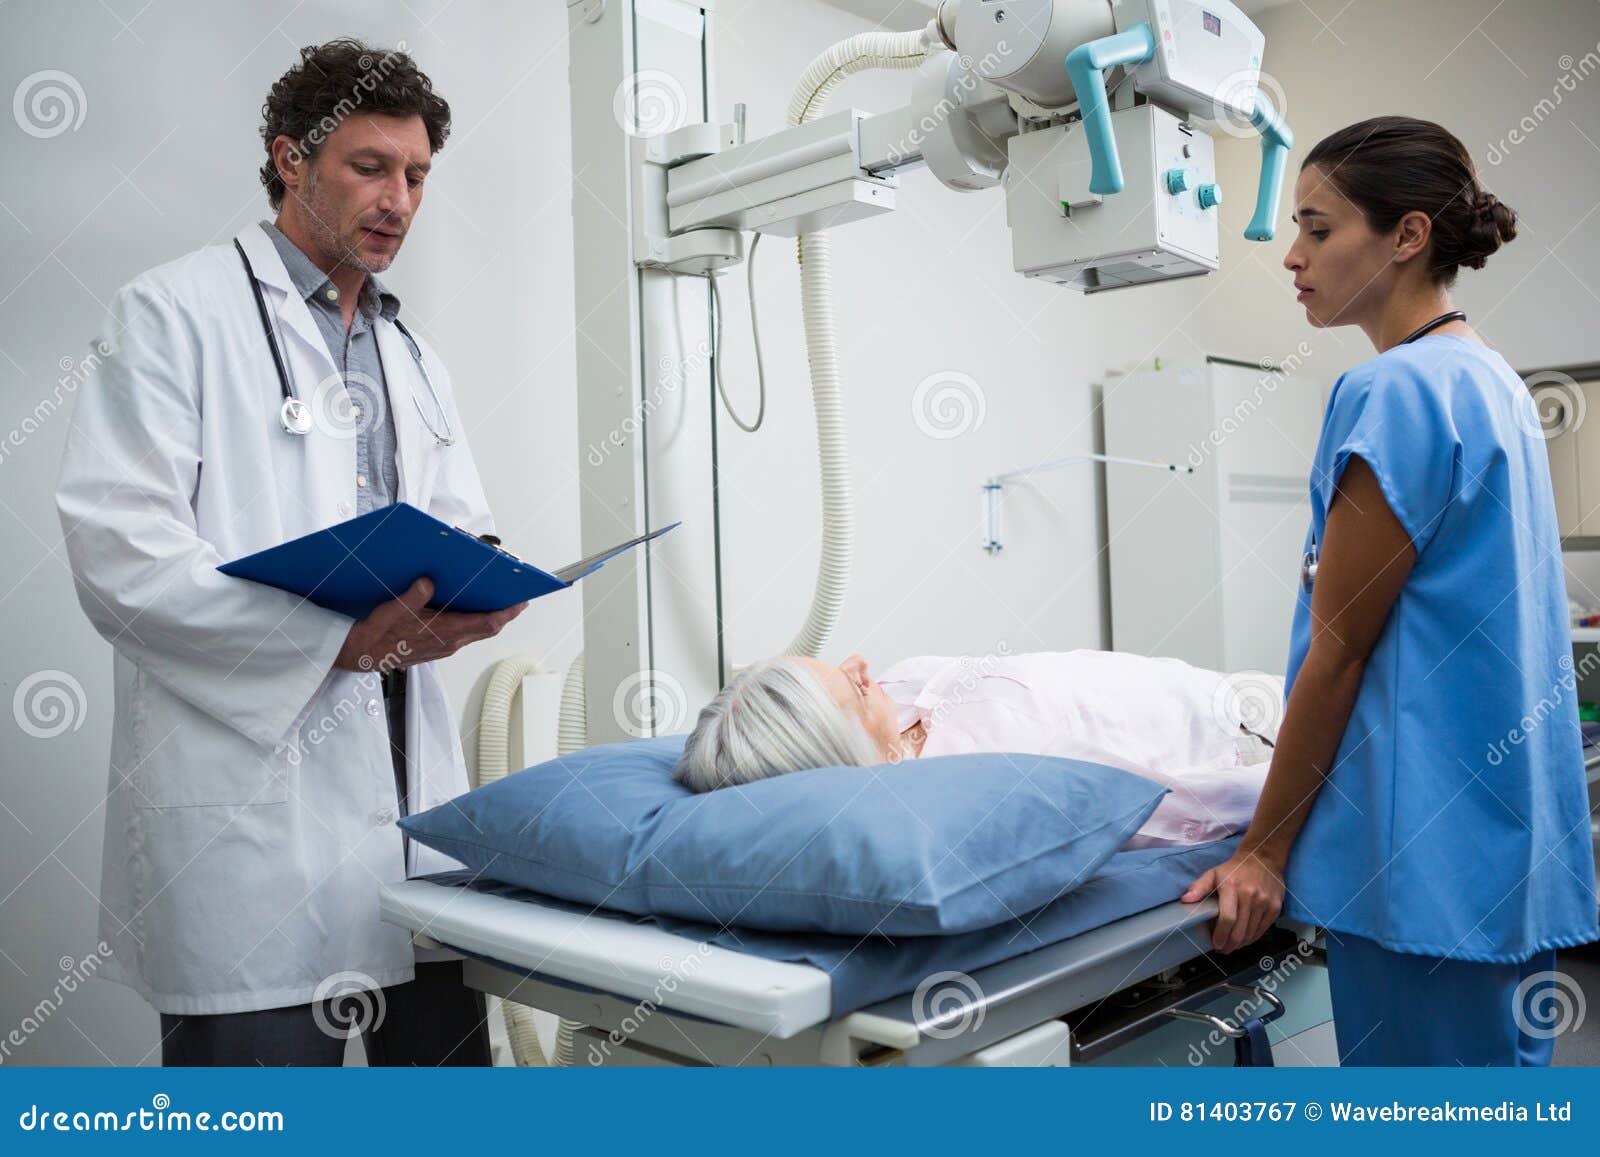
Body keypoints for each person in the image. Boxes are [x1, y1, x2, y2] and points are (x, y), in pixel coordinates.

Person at [55, 40, 523, 1065]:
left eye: (416, 175)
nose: (398, 199)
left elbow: (457, 519)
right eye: (370, 167)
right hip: (252, 834)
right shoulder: (172, 313)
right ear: (290, 159)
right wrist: (339, 641)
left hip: (415, 823)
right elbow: (119, 553)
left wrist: (483, 584)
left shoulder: (411, 352)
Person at [1177, 116, 1598, 1066]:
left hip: (1421, 868)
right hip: (1496, 850)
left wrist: (1262, 850)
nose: (1293, 256)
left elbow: (1340, 649)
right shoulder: (1492, 381)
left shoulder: (1393, 392)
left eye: (1318, 229)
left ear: (1407, 235)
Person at [674, 650, 1282, 850]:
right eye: (852, 687)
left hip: (1236, 693)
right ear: (841, 747)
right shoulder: (985, 780)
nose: (860, 663)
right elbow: (1167, 808)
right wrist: (1295, 795)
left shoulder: (902, 688)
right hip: (1257, 747)